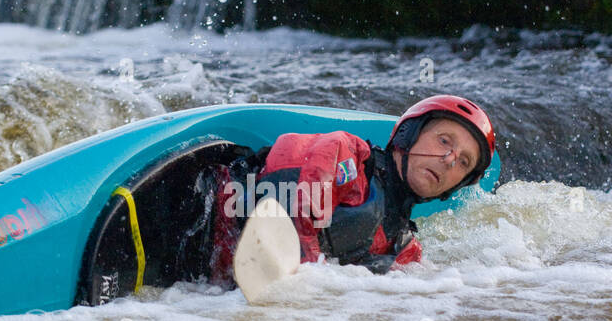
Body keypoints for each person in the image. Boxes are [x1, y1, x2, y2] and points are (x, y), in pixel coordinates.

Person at [210, 95, 496, 281]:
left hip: (208, 291)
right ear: (409, 134)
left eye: (464, 162)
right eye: (444, 141)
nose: (449, 160)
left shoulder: (405, 250)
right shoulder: (348, 156)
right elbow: (291, 181)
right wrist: (301, 280)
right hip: (196, 216)